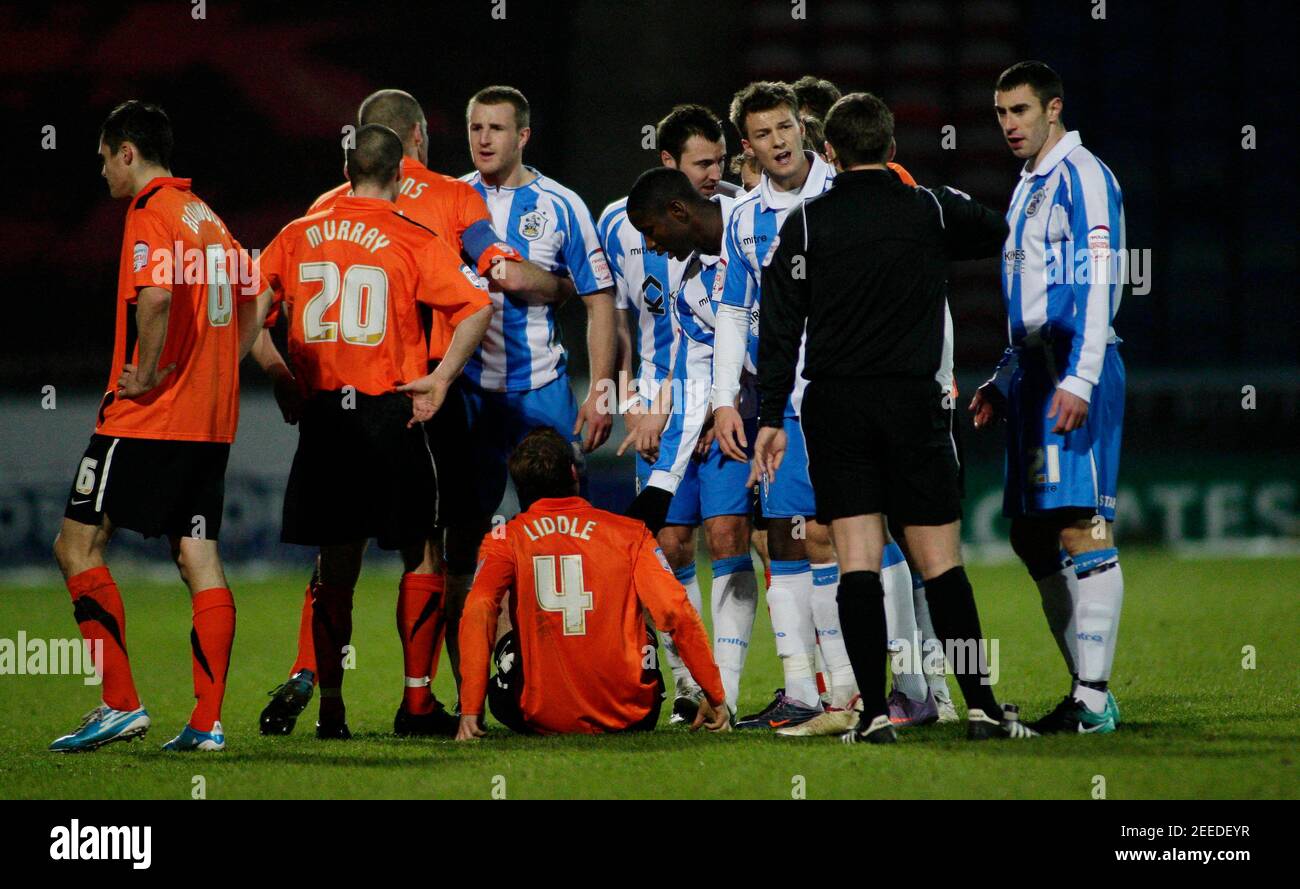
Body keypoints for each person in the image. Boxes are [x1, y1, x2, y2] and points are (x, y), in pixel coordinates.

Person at [256, 88, 571, 739]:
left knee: (333, 553)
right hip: (419, 404)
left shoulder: (312, 216)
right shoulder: (452, 200)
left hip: (324, 414)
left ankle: (316, 680)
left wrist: (281, 379)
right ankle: (427, 697)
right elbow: (494, 273)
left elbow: (243, 310)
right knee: (436, 553)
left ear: (352, 160)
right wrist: (563, 288)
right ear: (416, 141)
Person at [752, 91, 1037, 743]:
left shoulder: (803, 225)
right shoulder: (930, 208)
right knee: (942, 566)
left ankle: (875, 713)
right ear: (892, 148)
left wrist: (770, 412)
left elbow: (777, 328)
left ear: (829, 152)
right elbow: (1002, 228)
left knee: (856, 564)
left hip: (837, 404)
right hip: (913, 402)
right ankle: (984, 707)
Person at [49, 100, 261, 753]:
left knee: (75, 545)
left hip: (148, 416)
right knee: (197, 554)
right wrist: (221, 367)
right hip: (210, 422)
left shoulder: (151, 213)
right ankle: (206, 723)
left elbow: (159, 295)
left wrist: (149, 368)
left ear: (128, 152)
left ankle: (120, 704)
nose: (103, 171)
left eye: (104, 157)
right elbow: (259, 300)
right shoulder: (212, 221)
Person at [443, 86, 617, 698]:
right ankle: (481, 689)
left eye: (496, 128)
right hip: (467, 397)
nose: (483, 138)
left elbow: (598, 299)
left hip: (543, 395)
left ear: (523, 136)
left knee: (565, 540)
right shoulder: (448, 200)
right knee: (462, 543)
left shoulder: (562, 205)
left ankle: (573, 676)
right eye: (474, 127)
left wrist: (600, 391)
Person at [972, 61, 1127, 734]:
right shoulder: (1027, 186)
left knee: (1080, 523)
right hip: (1035, 372)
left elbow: (1098, 285)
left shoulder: (1083, 176)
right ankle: (1083, 690)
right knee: (1031, 534)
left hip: (1074, 367)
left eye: (1021, 111)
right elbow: (1027, 301)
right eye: (1002, 113)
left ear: (1054, 108)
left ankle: (1093, 700)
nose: (1009, 124)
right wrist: (1005, 373)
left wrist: (1082, 377)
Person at [599, 104, 751, 724]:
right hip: (668, 404)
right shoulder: (620, 225)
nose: (715, 173)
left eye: (719, 160)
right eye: (701, 164)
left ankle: (731, 690)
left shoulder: (744, 217)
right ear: (669, 166)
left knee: (730, 534)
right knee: (669, 542)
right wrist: (633, 404)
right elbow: (618, 320)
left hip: (735, 406)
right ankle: (691, 687)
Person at [456, 428, 730, 737]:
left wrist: (470, 709)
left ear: (518, 484)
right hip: (631, 715)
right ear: (573, 472)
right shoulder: (630, 532)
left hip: (539, 716)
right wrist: (715, 695)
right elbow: (675, 612)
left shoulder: (504, 539)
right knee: (634, 594)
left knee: (500, 596)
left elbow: (479, 609)